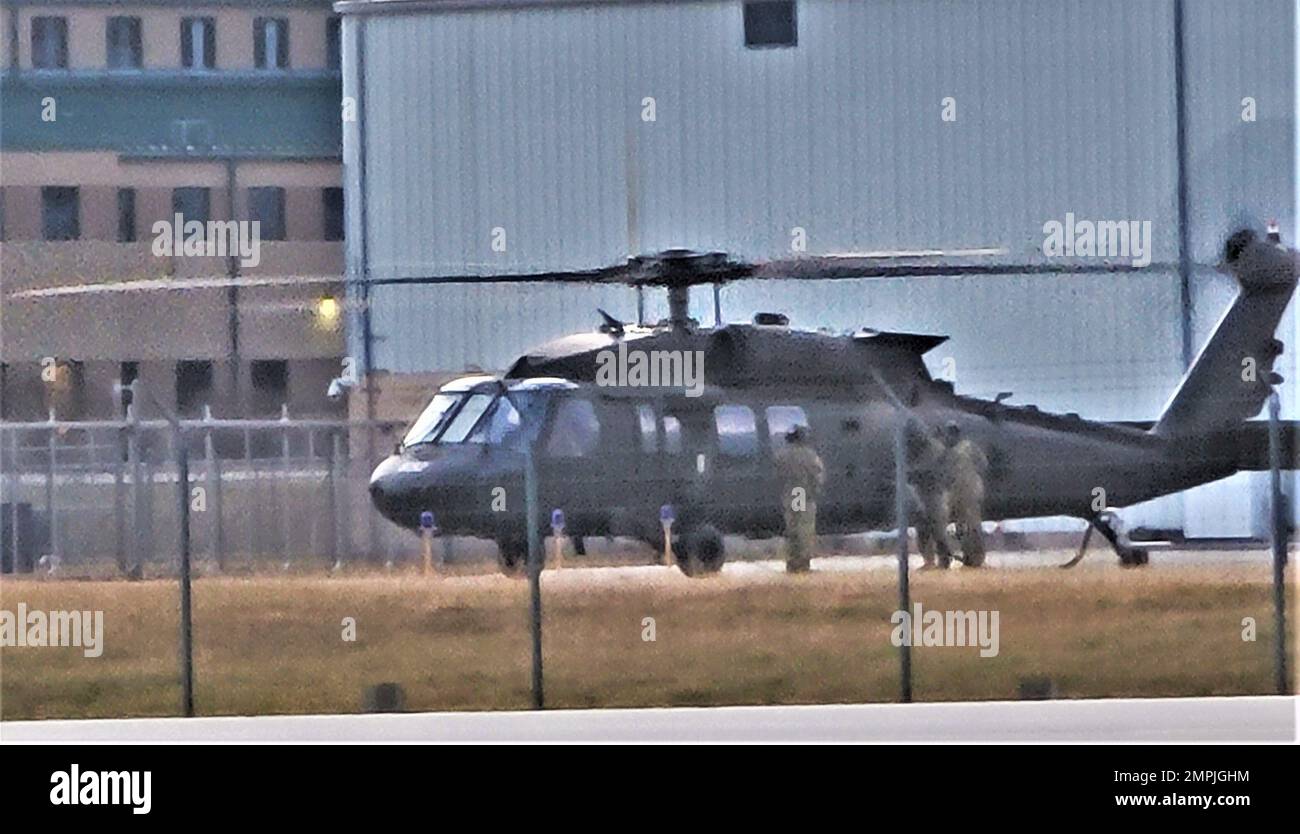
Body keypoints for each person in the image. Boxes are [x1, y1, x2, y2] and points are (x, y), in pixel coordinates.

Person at [937, 421, 989, 568]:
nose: (950, 435)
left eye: (953, 432)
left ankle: (976, 559)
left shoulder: (969, 447)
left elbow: (983, 464)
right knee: (953, 527)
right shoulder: (943, 451)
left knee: (972, 526)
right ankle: (950, 557)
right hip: (952, 493)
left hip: (969, 491)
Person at [774, 425, 825, 573]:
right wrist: (815, 491)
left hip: (789, 494)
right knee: (805, 529)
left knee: (792, 529)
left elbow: (777, 476)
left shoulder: (781, 456)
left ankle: (791, 561)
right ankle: (802, 562)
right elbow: (818, 476)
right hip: (802, 494)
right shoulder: (809, 455)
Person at [907, 426, 957, 570]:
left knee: (936, 529)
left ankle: (941, 560)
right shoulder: (924, 449)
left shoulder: (935, 449)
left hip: (934, 494)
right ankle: (932, 561)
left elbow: (927, 469)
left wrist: (910, 474)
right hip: (925, 493)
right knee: (925, 528)